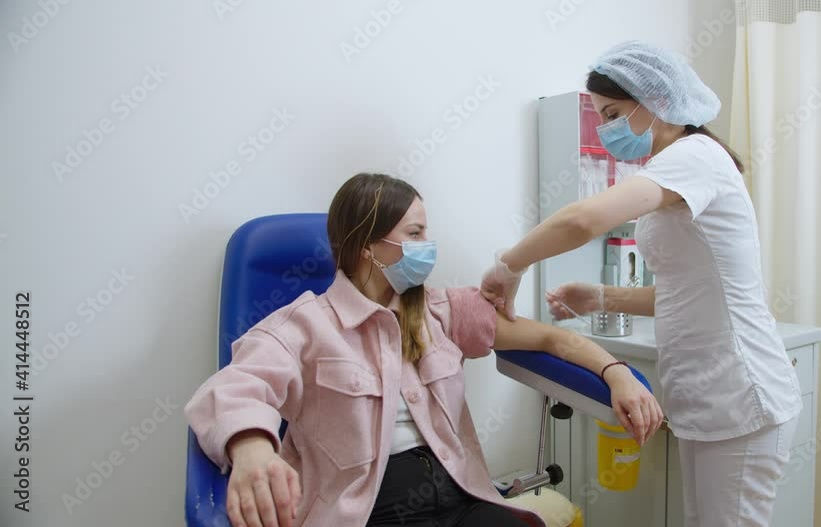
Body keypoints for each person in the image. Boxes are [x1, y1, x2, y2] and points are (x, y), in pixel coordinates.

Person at [185, 172, 662, 527]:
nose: (427, 246)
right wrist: (251, 451)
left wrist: (616, 370)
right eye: (414, 234)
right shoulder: (306, 325)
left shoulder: (441, 311)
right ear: (367, 247)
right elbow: (236, 388)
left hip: (462, 496)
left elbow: (553, 338)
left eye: (425, 232)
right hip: (368, 510)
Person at [480, 41, 802, 527]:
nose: (606, 128)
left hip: (740, 393)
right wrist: (601, 297)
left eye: (611, 113)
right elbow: (685, 289)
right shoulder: (672, 167)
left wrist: (508, 266)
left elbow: (582, 220)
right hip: (709, 398)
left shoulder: (694, 157)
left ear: (657, 101)